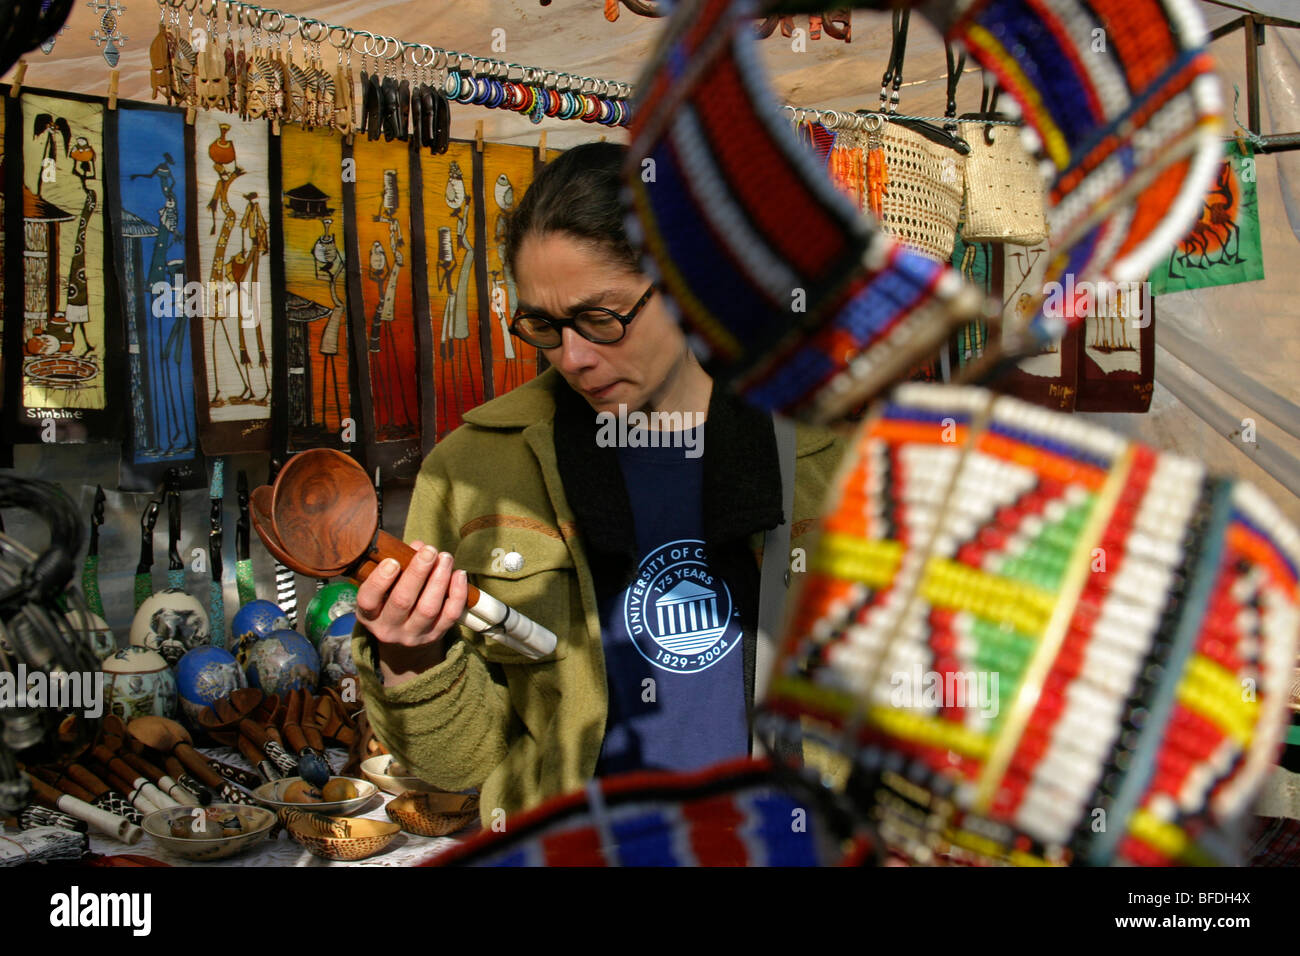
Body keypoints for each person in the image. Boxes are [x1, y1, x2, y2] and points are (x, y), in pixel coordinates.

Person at [352, 141, 845, 823]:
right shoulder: (473, 474)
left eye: (600, 317)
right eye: (545, 327)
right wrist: (410, 656)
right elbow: (458, 766)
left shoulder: (833, 452)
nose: (576, 358)